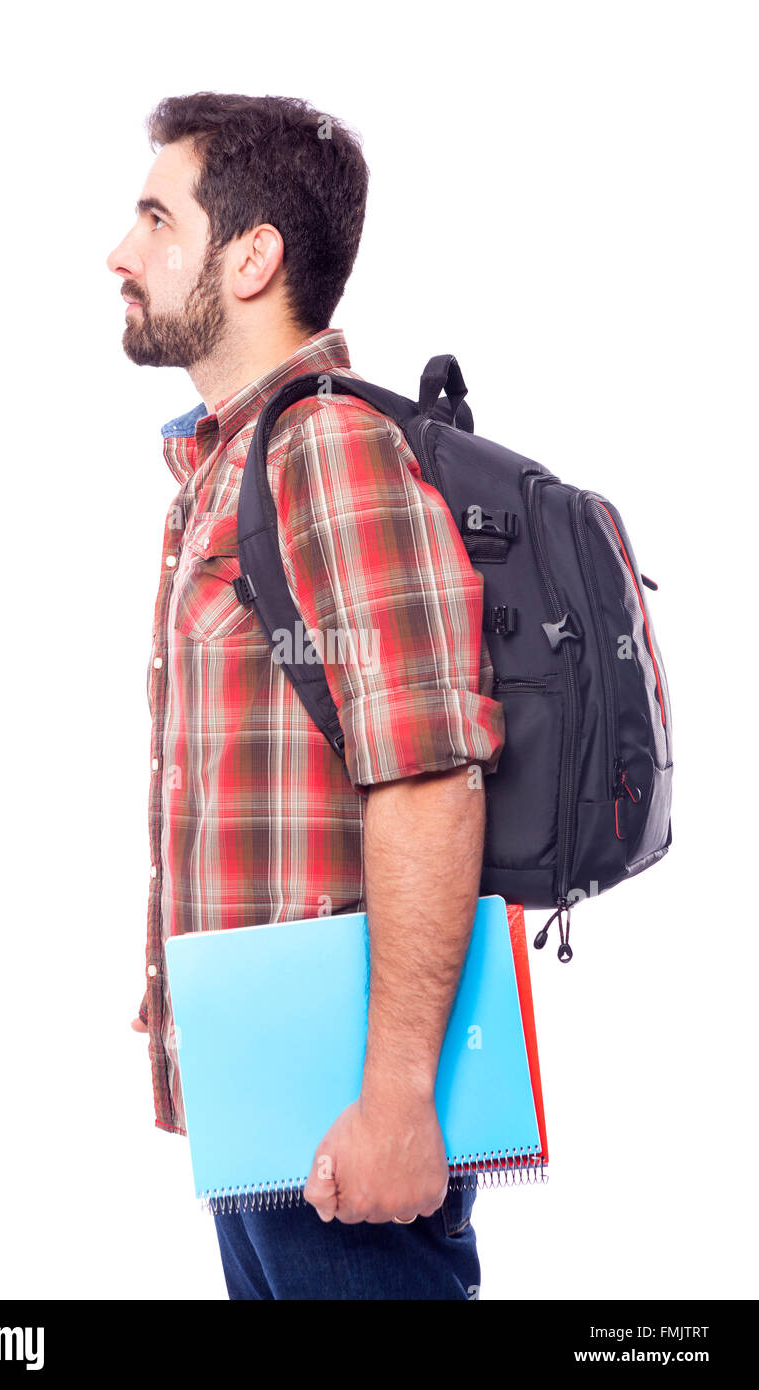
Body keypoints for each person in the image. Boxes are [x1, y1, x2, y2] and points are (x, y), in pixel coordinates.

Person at [107, 91, 505, 1301]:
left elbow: (428, 770)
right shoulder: (232, 459)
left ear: (251, 256)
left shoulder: (321, 452)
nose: (119, 254)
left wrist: (393, 1101)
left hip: (343, 1121)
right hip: (266, 1092)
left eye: (154, 219)